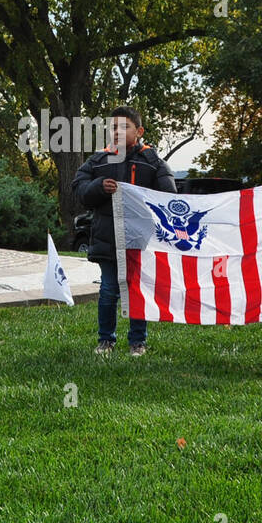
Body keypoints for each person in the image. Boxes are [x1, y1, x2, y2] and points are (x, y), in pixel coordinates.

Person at [73, 106, 176, 356]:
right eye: (113, 127)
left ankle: (137, 342)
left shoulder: (151, 161)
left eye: (124, 126)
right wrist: (98, 186)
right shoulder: (98, 160)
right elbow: (79, 190)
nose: (117, 131)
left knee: (137, 290)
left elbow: (169, 195)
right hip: (107, 237)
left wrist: (153, 163)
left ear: (139, 131)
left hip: (139, 240)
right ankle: (106, 340)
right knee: (109, 289)